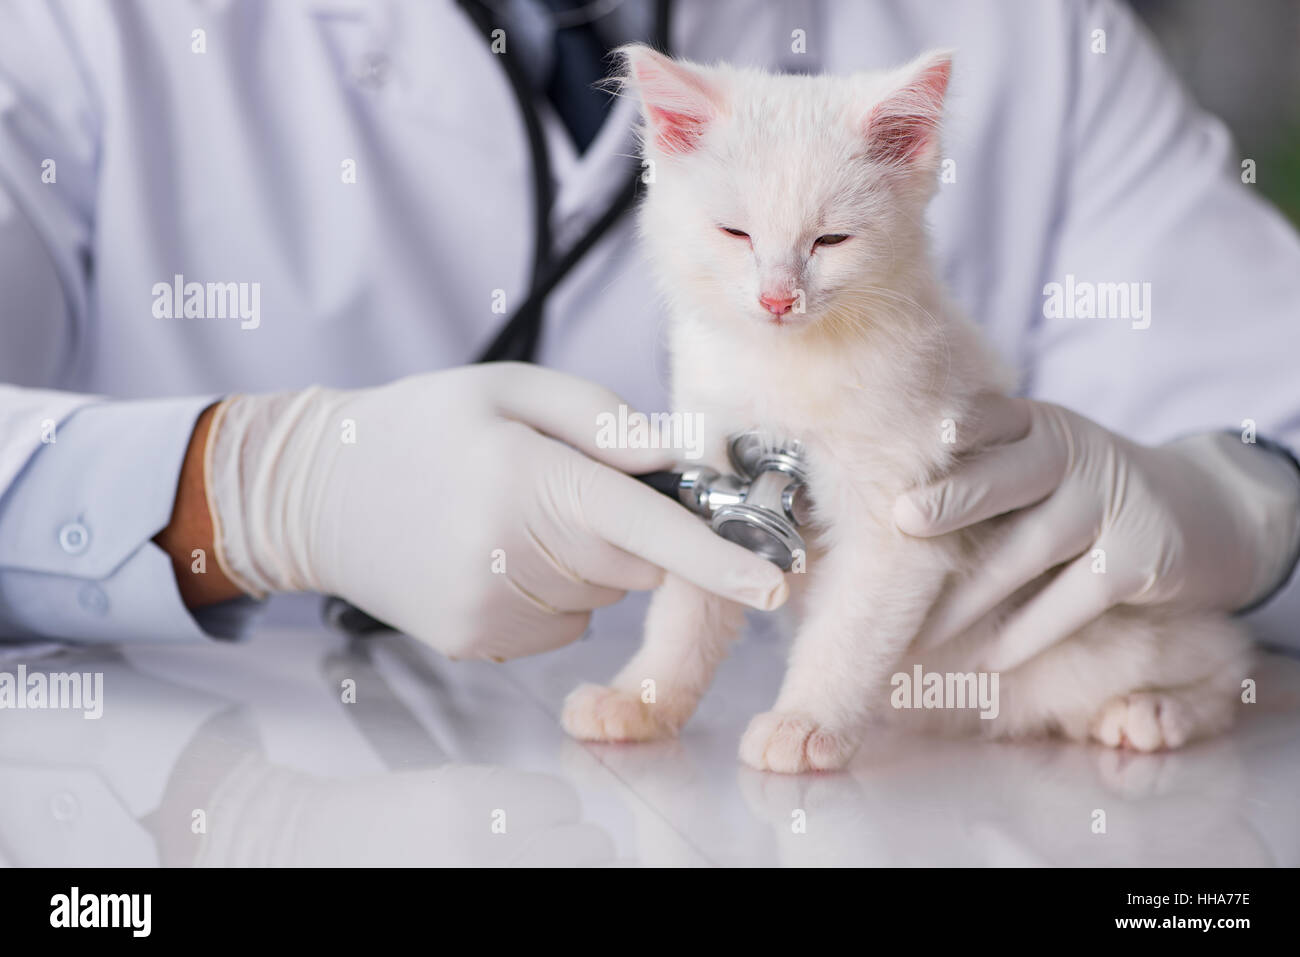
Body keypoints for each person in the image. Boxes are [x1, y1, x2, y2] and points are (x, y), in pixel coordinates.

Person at [1, 0, 1297, 662]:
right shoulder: (75, 29)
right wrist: (241, 491)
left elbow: (1276, 402)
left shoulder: (1021, 40)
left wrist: (1256, 508)